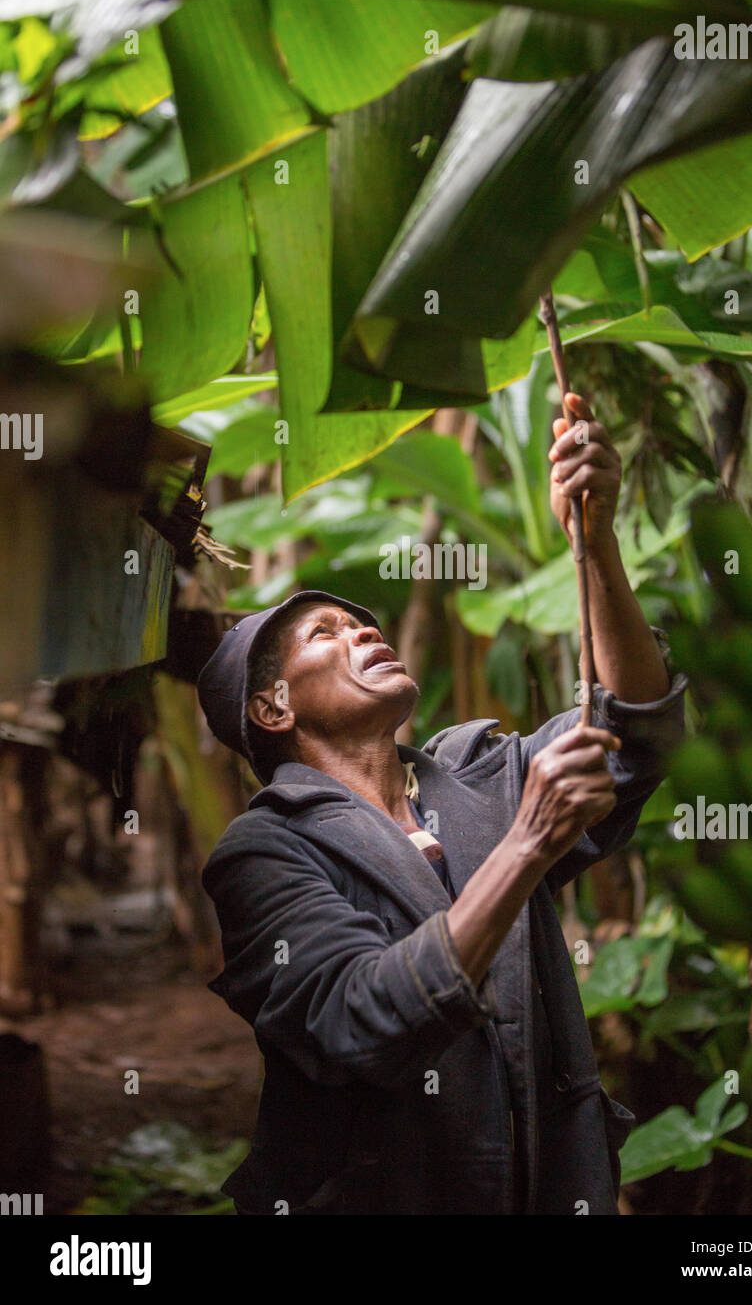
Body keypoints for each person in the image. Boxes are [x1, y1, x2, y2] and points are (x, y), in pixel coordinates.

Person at [198, 393, 687, 1215]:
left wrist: (595, 546)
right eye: (326, 635)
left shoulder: (477, 773)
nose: (362, 631)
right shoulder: (264, 853)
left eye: (361, 623)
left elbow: (636, 730)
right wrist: (526, 847)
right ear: (273, 708)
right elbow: (364, 1017)